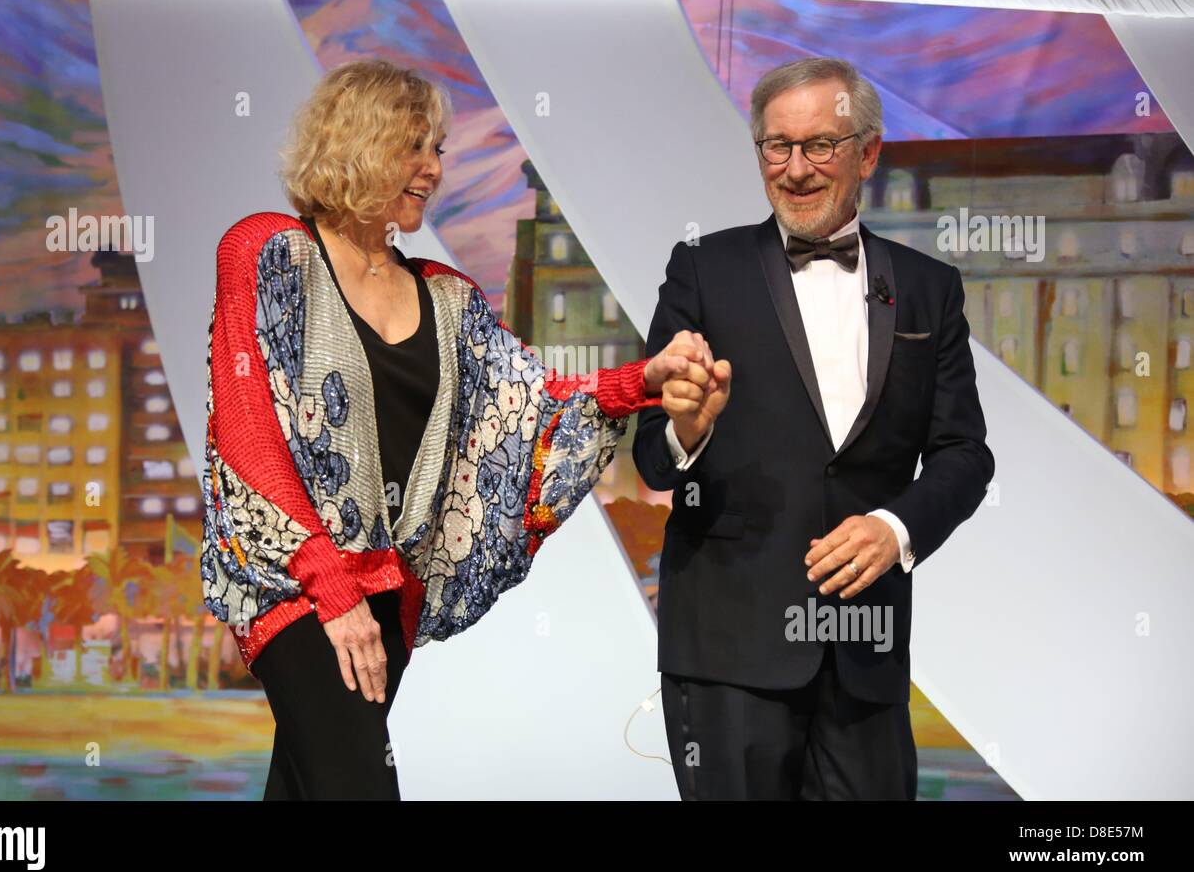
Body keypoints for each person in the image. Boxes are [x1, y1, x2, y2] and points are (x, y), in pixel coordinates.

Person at [199, 58, 724, 799]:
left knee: (306, 783)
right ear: (356, 142)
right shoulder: (269, 251)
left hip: (390, 593)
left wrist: (642, 380)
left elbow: (534, 406)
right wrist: (332, 587)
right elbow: (249, 428)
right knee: (359, 784)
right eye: (414, 146)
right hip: (293, 583)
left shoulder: (447, 300)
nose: (433, 168)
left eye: (439, 149)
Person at [634, 56, 995, 800]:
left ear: (867, 151)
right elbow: (652, 458)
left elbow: (964, 453)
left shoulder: (930, 289)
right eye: (777, 146)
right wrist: (688, 432)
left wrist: (895, 528)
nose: (795, 169)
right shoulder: (703, 270)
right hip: (728, 656)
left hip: (865, 654)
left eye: (819, 146)